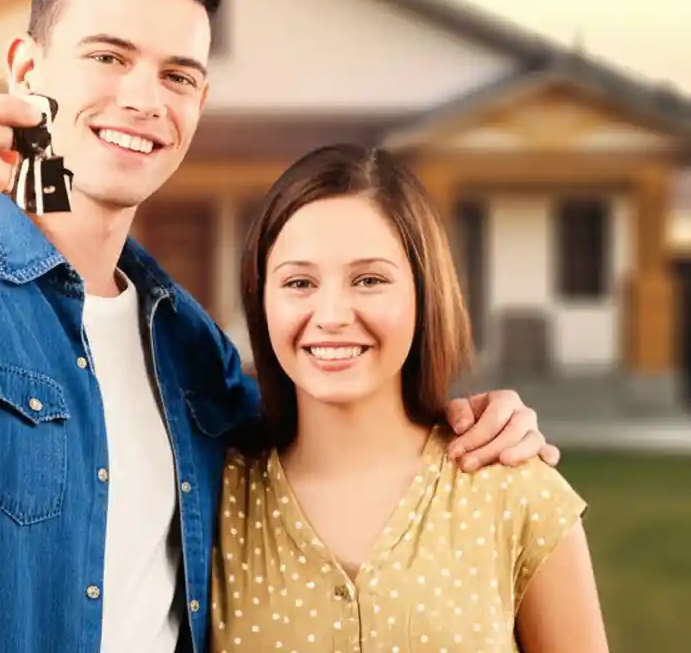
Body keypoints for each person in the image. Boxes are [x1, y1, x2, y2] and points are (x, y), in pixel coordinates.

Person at [0, 0, 559, 651]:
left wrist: (463, 419)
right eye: (108, 56)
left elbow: (320, 443)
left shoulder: (192, 352)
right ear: (28, 69)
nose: (143, 97)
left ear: (199, 102)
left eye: (177, 74)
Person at [211, 144, 608, 652]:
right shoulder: (213, 500)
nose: (331, 313)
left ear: (425, 293)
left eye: (369, 280)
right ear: (260, 299)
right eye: (299, 282)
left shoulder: (516, 494)